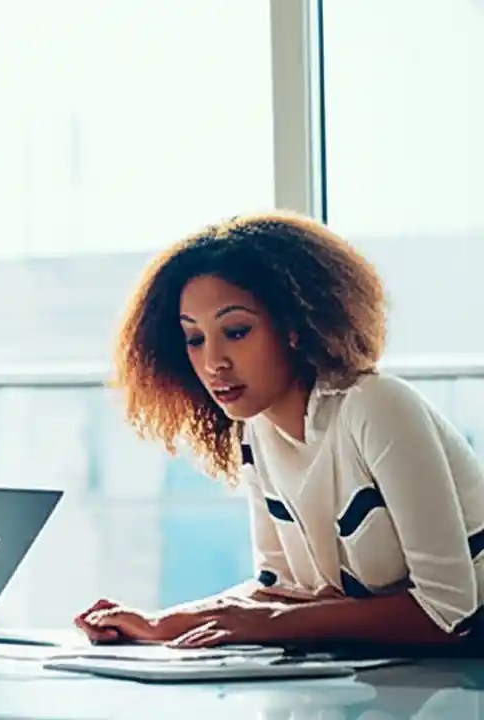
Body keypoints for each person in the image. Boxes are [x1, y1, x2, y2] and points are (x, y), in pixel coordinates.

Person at [74, 211, 484, 648]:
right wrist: (160, 623)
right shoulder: (257, 431)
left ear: (292, 327)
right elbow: (278, 592)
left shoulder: (377, 406)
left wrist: (265, 622)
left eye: (236, 331)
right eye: (194, 339)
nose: (213, 362)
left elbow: (449, 611)